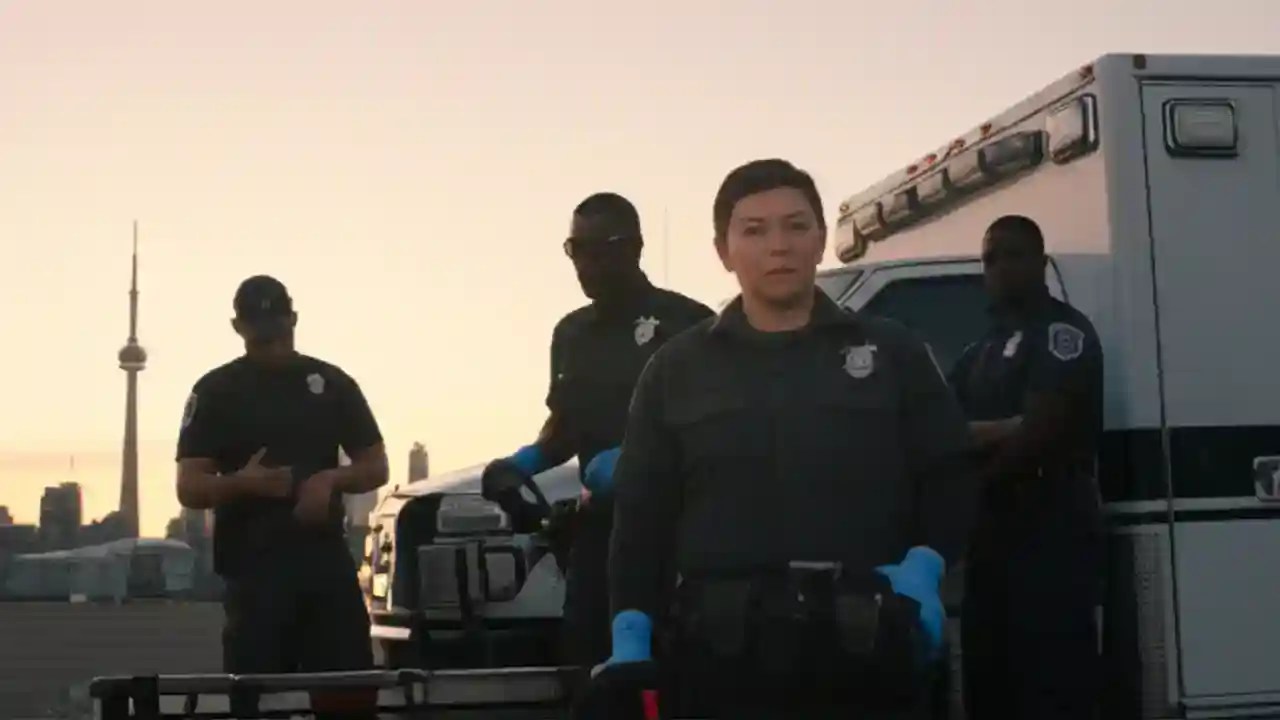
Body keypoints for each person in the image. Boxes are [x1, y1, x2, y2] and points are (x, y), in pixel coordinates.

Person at [588, 159, 980, 719]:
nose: (779, 246)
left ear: (821, 239)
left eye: (796, 226)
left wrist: (925, 567)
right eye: (754, 230)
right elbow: (640, 518)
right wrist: (630, 632)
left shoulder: (894, 352)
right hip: (721, 661)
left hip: (867, 651)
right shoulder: (675, 369)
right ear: (723, 251)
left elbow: (950, 474)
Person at [481, 193, 714, 669]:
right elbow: (566, 425)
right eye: (575, 249)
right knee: (589, 672)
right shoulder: (571, 333)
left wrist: (637, 464)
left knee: (676, 673)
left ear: (635, 246)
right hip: (600, 536)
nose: (585, 263)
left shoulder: (689, 324)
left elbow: (715, 434)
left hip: (676, 535)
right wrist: (522, 464)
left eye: (599, 248)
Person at [175, 275, 389, 716]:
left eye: (274, 319)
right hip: (254, 574)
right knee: (257, 700)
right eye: (257, 321)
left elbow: (376, 466)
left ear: (293, 318)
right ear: (238, 326)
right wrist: (242, 484)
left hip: (325, 566)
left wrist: (328, 481)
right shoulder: (216, 391)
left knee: (349, 695)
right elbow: (189, 486)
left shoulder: (331, 384)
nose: (268, 332)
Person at [948, 214, 1105, 720]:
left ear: (1039, 262)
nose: (998, 267)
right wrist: (1001, 427)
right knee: (990, 680)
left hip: (1051, 530)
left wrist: (973, 473)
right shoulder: (980, 349)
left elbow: (1041, 432)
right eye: (990, 257)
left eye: (1012, 254)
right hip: (993, 537)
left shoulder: (1063, 334)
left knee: (1050, 682)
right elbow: (942, 428)